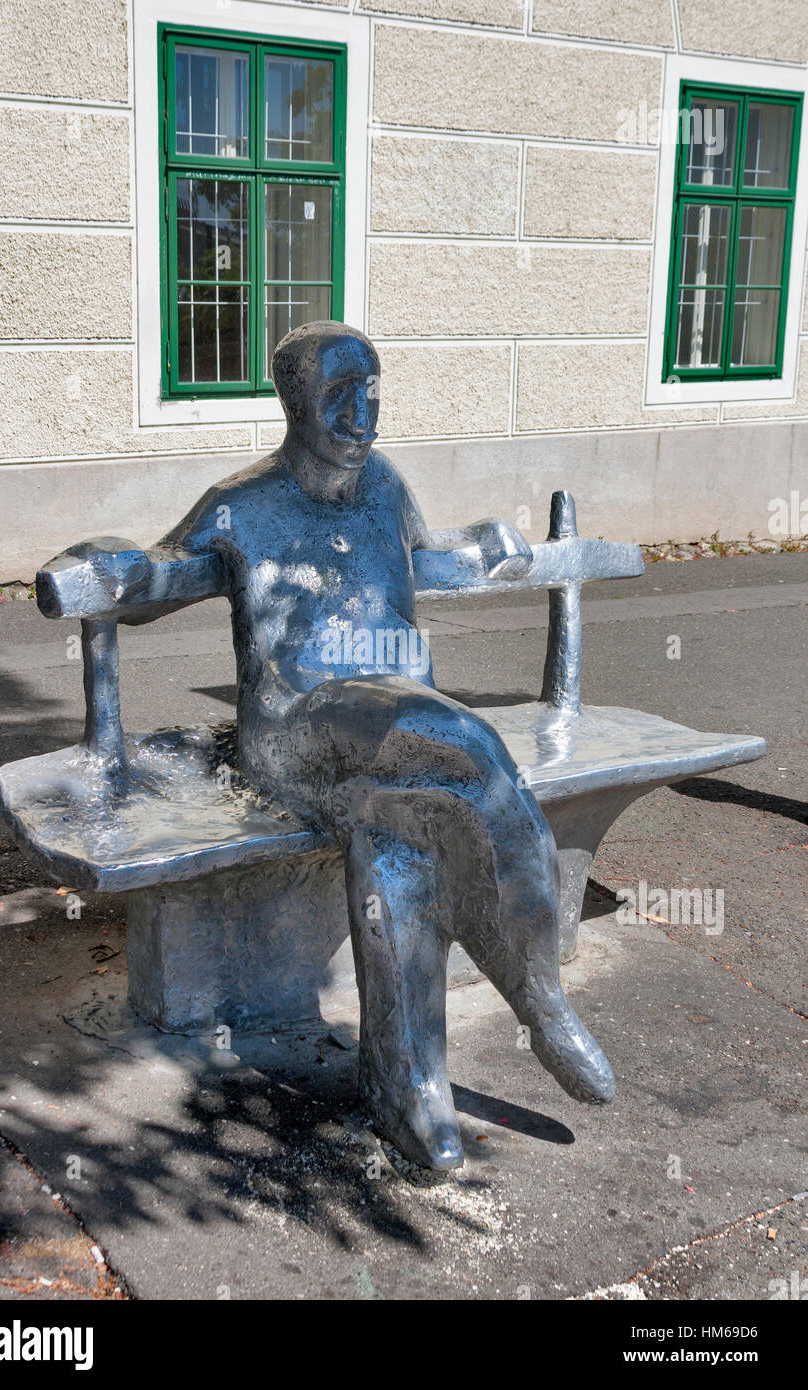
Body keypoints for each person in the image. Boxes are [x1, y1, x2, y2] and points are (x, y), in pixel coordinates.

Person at [153, 320, 615, 1169]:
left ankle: (408, 1087)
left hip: (391, 738)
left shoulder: (387, 488)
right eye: (340, 396)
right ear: (295, 402)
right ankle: (540, 998)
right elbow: (147, 578)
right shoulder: (240, 507)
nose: (364, 415)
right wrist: (94, 569)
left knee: (400, 838)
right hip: (295, 733)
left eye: (373, 393)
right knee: (459, 738)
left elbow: (437, 555)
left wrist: (490, 539)